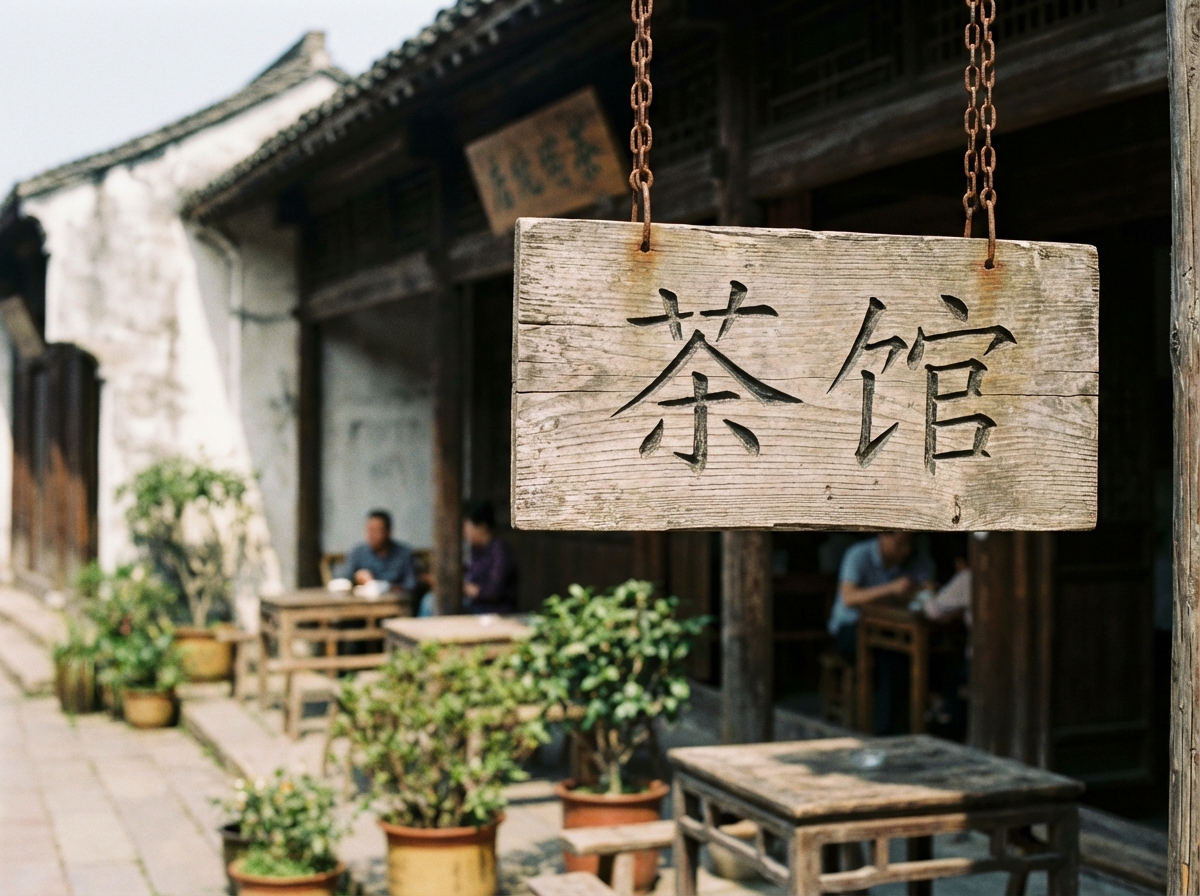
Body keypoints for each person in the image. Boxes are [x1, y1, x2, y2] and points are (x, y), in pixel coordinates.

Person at [828, 532, 936, 734]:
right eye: (900, 544)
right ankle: (883, 731)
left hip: (892, 628)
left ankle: (911, 726)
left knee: (910, 659)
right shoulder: (859, 554)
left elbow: (928, 588)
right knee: (889, 661)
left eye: (909, 545)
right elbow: (849, 598)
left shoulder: (915, 559)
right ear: (883, 537)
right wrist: (891, 589)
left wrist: (916, 589)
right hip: (851, 628)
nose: (906, 550)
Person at [335, 510, 417, 596]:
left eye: (377, 530)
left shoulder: (404, 553)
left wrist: (387, 587)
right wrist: (357, 577)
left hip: (394, 604)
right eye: (370, 530)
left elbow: (411, 585)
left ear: (388, 532)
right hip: (363, 604)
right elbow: (343, 579)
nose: (372, 535)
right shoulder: (357, 552)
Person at [462, 499, 517, 614]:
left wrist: (466, 589)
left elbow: (494, 590)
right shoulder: (476, 549)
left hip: (496, 612)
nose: (465, 532)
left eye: (467, 527)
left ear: (482, 526)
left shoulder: (499, 550)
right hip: (476, 608)